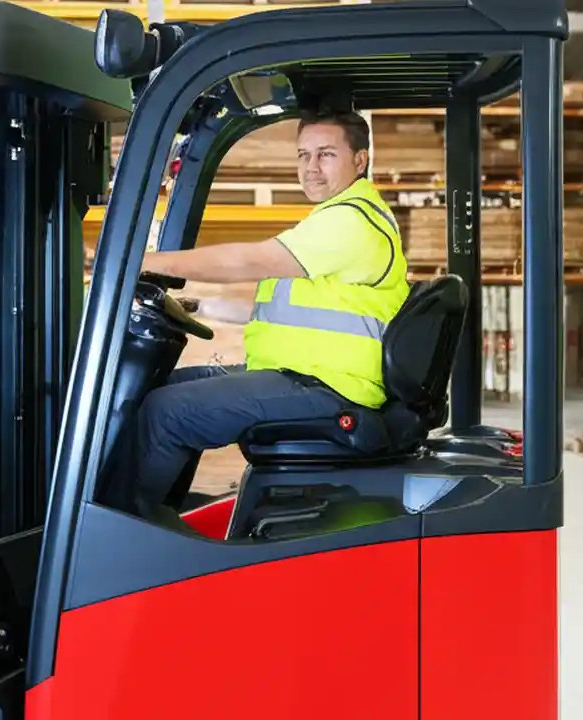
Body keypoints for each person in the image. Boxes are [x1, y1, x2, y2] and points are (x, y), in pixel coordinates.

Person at [122, 110, 410, 518]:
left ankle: (126, 529)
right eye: (303, 155)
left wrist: (142, 261)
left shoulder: (351, 221)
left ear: (359, 160)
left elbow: (250, 261)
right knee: (163, 385)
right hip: (309, 375)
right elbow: (300, 309)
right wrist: (203, 306)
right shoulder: (338, 216)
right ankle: (158, 514)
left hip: (328, 389)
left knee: (167, 412)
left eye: (325, 154)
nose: (311, 168)